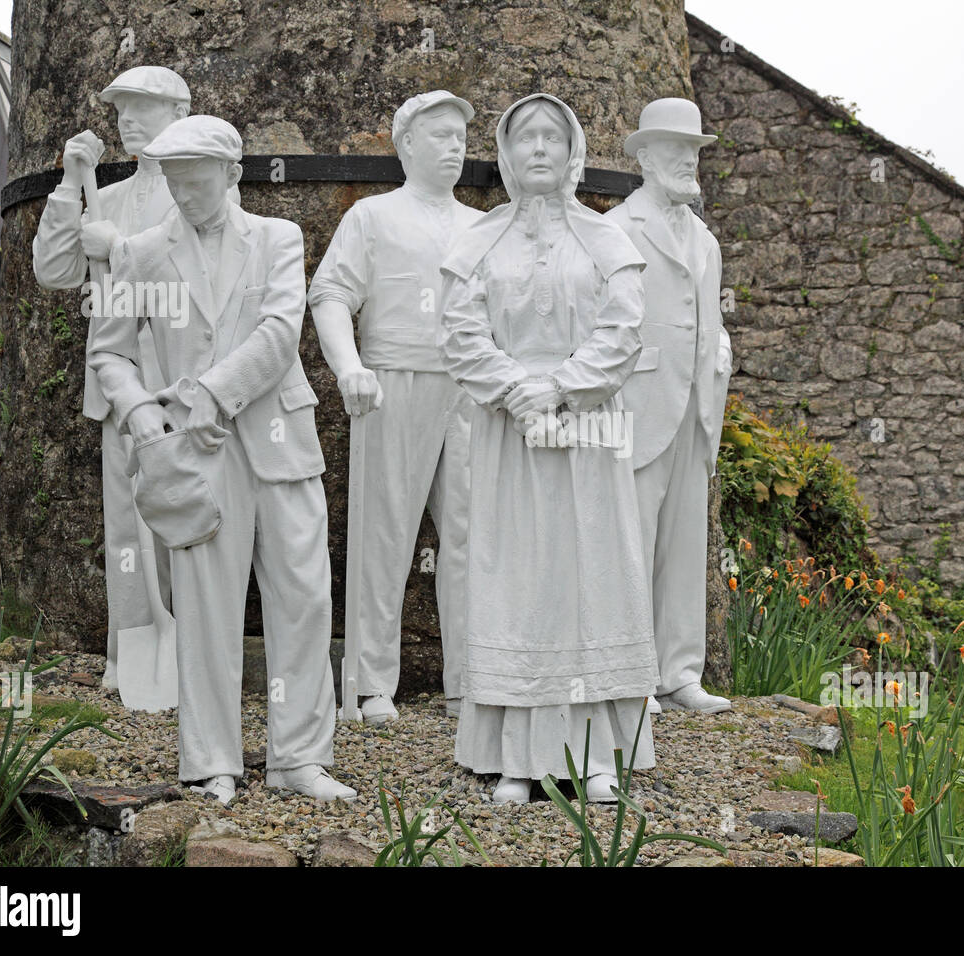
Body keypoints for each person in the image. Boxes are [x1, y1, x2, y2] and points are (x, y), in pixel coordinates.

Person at [85, 115, 353, 804]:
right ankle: (211, 761)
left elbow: (277, 332)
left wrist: (210, 391)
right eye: (174, 182)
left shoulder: (277, 239)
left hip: (278, 440)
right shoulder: (141, 253)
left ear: (232, 175)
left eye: (197, 182)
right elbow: (109, 354)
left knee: (304, 597)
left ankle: (298, 757)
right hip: (193, 455)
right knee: (206, 609)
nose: (184, 195)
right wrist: (143, 414)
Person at [439, 93, 658, 805]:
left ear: (573, 153)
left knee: (590, 579)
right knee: (520, 583)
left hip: (588, 431)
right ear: (505, 153)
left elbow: (623, 332)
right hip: (509, 434)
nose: (538, 148)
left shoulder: (604, 241)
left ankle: (594, 754)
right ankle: (518, 757)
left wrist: (561, 389)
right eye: (525, 137)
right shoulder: (479, 242)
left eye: (551, 137)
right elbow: (460, 333)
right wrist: (516, 392)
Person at [32, 66, 236, 697]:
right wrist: (71, 187)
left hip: (182, 384)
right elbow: (52, 270)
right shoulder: (107, 195)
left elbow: (205, 273)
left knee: (191, 515)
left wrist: (117, 246)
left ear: (180, 108)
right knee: (126, 531)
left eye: (144, 107)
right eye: (122, 109)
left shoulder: (201, 196)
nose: (129, 119)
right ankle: (130, 649)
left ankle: (197, 650)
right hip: (118, 384)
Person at [309, 91, 481, 725]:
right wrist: (350, 367)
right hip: (394, 381)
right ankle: (370, 681)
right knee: (384, 535)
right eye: (439, 134)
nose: (454, 145)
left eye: (460, 135)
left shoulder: (481, 226)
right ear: (405, 144)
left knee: (470, 536)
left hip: (468, 388)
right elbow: (329, 295)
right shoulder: (372, 218)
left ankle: (470, 679)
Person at [606, 98, 733, 713]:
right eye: (678, 149)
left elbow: (707, 319)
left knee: (684, 540)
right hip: (640, 398)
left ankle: (679, 672)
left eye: (696, 150)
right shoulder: (618, 227)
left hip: (695, 404)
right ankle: (630, 672)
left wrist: (718, 360)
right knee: (631, 535)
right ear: (647, 157)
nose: (690, 160)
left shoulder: (705, 240)